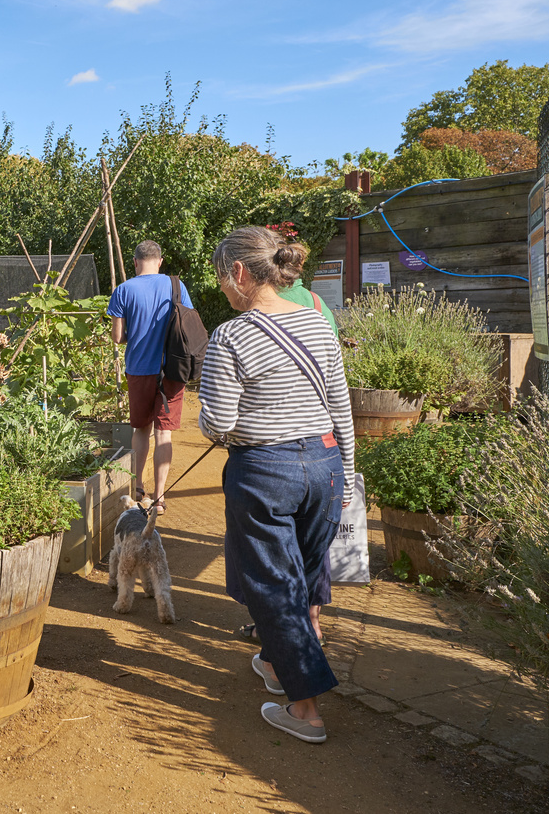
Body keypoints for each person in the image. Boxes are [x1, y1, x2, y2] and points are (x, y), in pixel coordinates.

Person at [198, 226, 354, 744]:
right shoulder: (317, 323)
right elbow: (341, 408)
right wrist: (347, 475)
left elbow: (218, 423)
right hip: (325, 465)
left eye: (222, 276)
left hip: (265, 472)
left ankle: (305, 711)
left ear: (240, 273)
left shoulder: (230, 336)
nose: (221, 287)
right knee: (303, 577)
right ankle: (273, 661)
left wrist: (212, 419)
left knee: (275, 589)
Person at [236, 275, 340, 647]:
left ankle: (274, 639)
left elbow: (223, 413)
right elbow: (334, 383)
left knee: (272, 554)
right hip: (321, 448)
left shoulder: (251, 315)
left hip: (268, 454)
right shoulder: (318, 306)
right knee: (312, 550)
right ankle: (313, 623)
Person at [107, 240, 194, 512]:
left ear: (135, 262)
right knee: (164, 434)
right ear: (160, 261)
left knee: (141, 429)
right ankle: (159, 497)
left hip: (139, 369)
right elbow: (188, 325)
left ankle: (137, 488)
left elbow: (117, 337)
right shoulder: (176, 286)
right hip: (172, 370)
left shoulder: (123, 290)